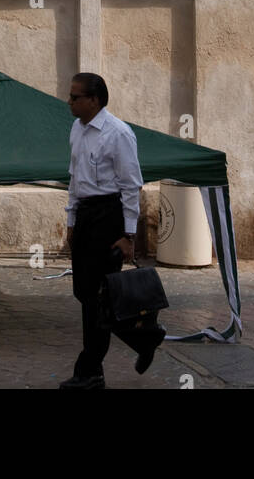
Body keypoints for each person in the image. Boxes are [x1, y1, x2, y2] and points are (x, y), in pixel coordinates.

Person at [60, 72, 166, 389]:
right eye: (70, 96)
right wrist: (71, 222)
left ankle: (90, 371)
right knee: (86, 293)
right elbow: (74, 179)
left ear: (94, 100)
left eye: (76, 97)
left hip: (109, 215)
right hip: (86, 216)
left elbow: (131, 186)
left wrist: (128, 235)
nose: (70, 102)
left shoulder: (118, 134)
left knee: (98, 297)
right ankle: (145, 338)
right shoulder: (76, 130)